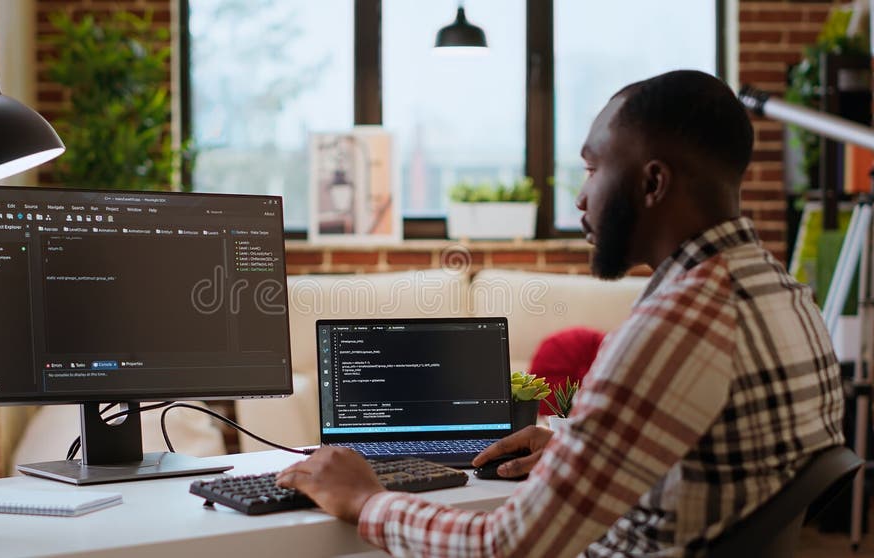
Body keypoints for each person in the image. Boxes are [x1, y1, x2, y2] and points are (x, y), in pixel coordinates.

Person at [275, 70, 845, 557]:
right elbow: (719, 466)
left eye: (593, 169)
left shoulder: (676, 324)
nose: (579, 197)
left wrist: (366, 499)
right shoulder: (787, 295)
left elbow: (507, 546)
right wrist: (578, 449)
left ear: (652, 182)